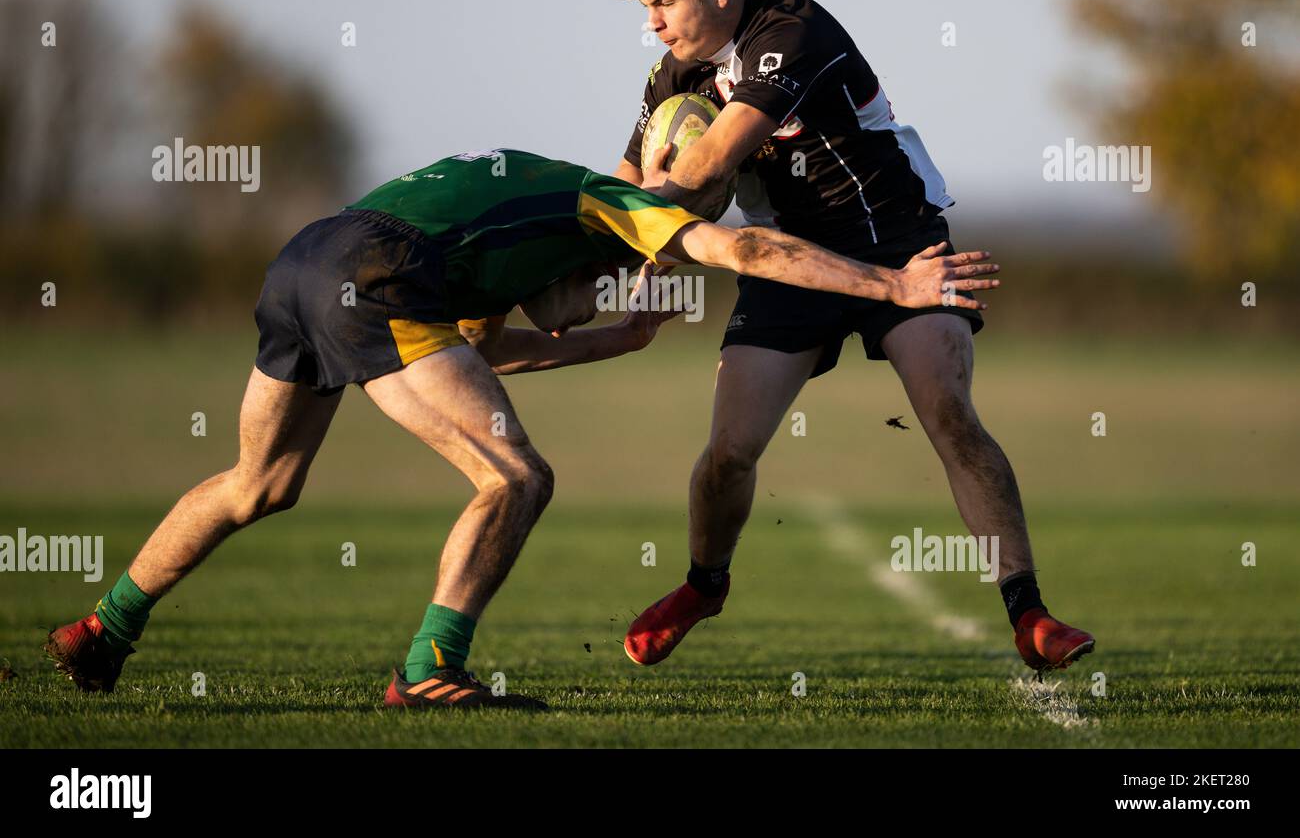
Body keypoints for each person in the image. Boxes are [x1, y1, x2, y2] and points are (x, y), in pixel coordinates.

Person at [45, 148, 999, 710]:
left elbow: (472, 359)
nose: (582, 307)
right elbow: (743, 246)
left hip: (308, 260)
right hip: (379, 269)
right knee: (517, 478)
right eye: (597, 293)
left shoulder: (511, 233)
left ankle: (102, 626)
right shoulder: (618, 204)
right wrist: (894, 284)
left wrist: (621, 339)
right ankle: (429, 670)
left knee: (260, 481)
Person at [607, 0, 1094, 672]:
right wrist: (590, 253)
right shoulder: (673, 72)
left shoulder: (791, 34)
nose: (654, 25)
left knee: (949, 413)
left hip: (898, 241)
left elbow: (701, 169)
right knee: (729, 452)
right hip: (787, 258)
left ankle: (1029, 611)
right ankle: (703, 584)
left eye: (665, 3)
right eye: (648, 10)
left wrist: (652, 208)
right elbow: (626, 184)